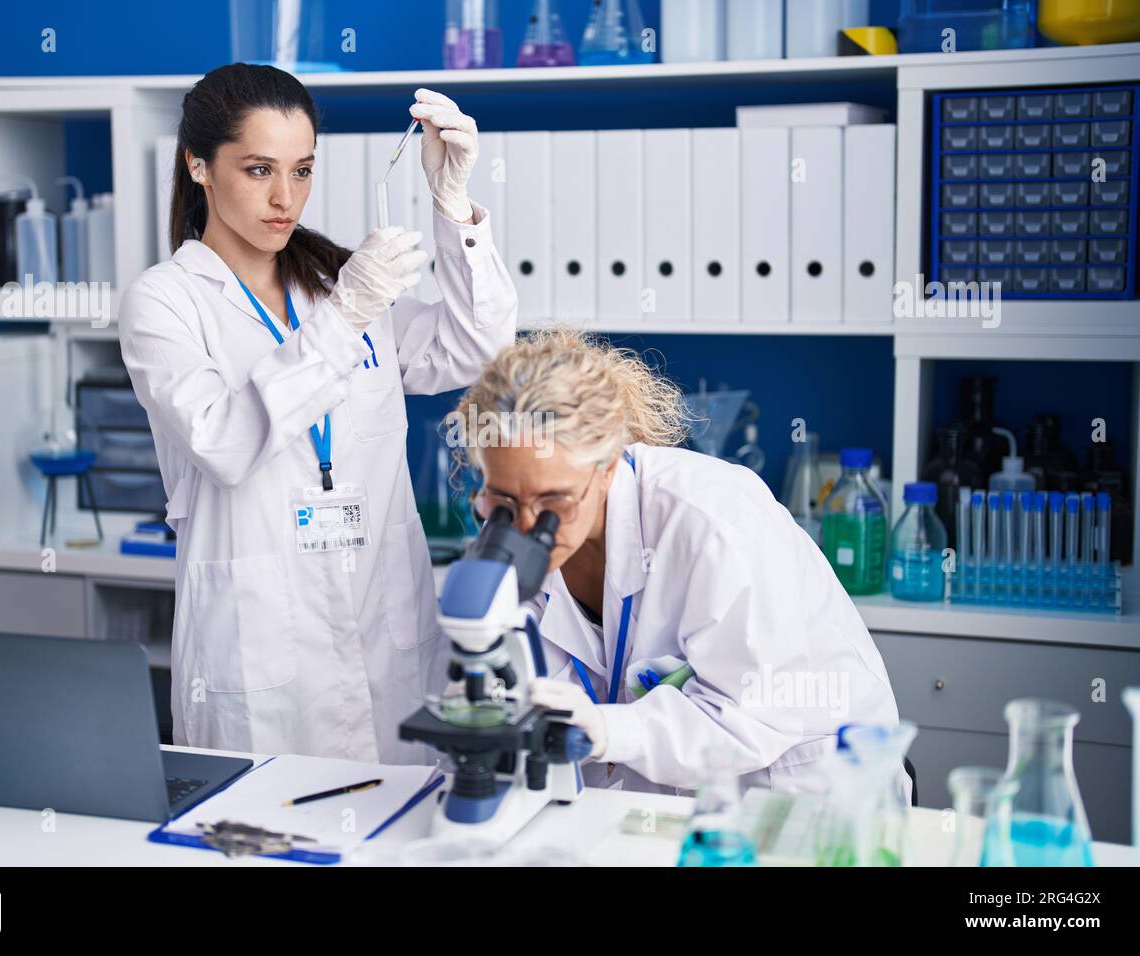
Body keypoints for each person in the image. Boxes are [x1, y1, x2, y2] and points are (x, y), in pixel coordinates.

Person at [118, 63, 517, 762]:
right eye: (258, 169)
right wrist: (347, 316)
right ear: (199, 166)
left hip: (383, 633)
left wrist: (452, 203)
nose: (285, 197)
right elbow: (224, 441)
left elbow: (475, 349)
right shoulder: (164, 302)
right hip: (260, 658)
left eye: (301, 171)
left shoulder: (331, 282)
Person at [448, 328, 902, 794]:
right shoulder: (507, 532)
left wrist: (606, 729)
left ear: (606, 469)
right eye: (502, 500)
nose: (524, 527)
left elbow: (755, 716)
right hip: (651, 802)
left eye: (554, 502)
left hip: (803, 788)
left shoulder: (712, 522)